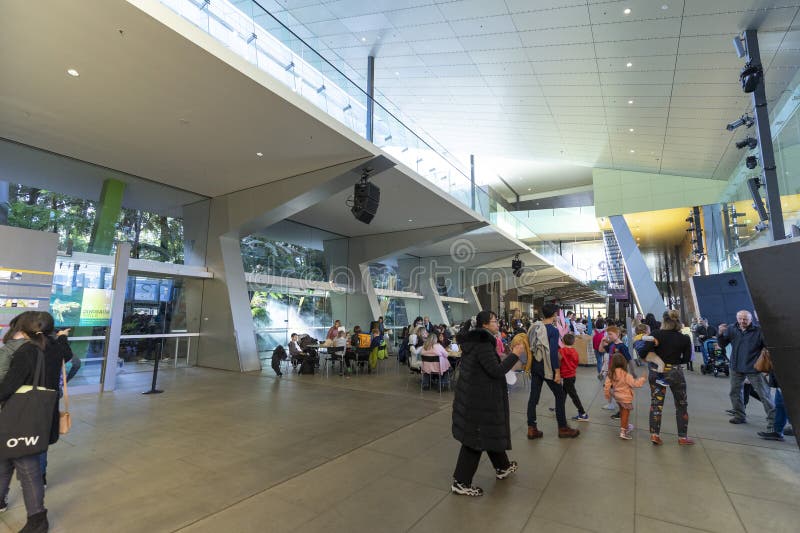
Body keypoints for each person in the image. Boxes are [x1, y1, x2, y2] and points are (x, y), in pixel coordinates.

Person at [451, 311, 522, 496]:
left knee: (489, 433)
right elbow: (496, 371)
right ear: (484, 325)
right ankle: (461, 482)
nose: (497, 323)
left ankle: (502, 467)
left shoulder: (474, 342)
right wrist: (515, 355)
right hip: (479, 399)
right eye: (494, 321)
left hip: (476, 397)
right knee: (476, 439)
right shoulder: (482, 344)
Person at [0, 312, 60, 532]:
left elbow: (6, 388)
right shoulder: (51, 346)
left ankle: (38, 520)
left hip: (19, 418)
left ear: (23, 328)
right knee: (4, 460)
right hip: (36, 416)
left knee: (27, 467)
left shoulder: (26, 352)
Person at [639, 309, 694, 445]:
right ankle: (682, 437)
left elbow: (642, 352)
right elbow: (687, 358)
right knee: (681, 404)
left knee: (656, 404)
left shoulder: (656, 334)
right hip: (676, 373)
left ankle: (655, 435)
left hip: (656, 372)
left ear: (663, 320)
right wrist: (674, 361)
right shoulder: (684, 338)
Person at [526, 303, 580, 439]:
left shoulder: (534, 327)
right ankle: (563, 428)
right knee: (560, 395)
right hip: (547, 367)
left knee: (533, 397)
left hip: (535, 366)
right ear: (555, 315)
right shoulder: (553, 330)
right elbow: (553, 354)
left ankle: (531, 428)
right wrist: (557, 372)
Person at [717, 310, 775, 433]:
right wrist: (720, 334)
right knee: (735, 393)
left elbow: (768, 349)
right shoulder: (732, 328)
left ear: (751, 320)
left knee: (764, 395)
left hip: (753, 369)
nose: (742, 321)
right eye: (740, 319)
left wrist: (766, 370)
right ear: (737, 318)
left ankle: (773, 422)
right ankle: (739, 416)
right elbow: (722, 344)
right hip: (735, 367)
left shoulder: (758, 331)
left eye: (745, 319)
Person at [604, 352, 647, 440]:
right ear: (624, 363)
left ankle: (626, 426)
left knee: (622, 412)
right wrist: (643, 378)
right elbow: (636, 384)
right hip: (626, 399)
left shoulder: (611, 373)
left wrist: (607, 395)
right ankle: (623, 431)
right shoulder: (626, 375)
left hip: (617, 397)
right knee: (625, 415)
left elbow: (607, 385)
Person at [559, 333, 588, 422]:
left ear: (563, 341)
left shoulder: (561, 351)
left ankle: (583, 413)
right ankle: (559, 408)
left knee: (573, 395)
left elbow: (558, 362)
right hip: (572, 376)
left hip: (566, 377)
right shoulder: (575, 352)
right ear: (573, 342)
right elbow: (576, 362)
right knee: (563, 393)